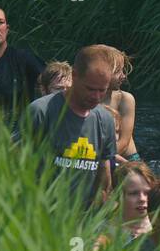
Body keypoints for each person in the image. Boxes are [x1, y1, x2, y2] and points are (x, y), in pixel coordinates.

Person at [24, 44, 116, 206]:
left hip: (84, 219)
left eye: (102, 90)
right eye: (90, 89)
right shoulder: (41, 112)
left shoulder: (105, 120)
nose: (96, 97)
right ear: (74, 76)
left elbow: (104, 172)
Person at [101, 46, 139, 162]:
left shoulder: (125, 99)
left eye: (123, 70)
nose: (124, 76)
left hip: (127, 159)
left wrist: (98, 160)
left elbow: (124, 142)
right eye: (118, 71)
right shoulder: (85, 98)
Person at [113, 161, 157, 243]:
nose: (142, 199)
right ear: (118, 196)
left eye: (147, 193)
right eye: (134, 193)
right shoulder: (106, 231)